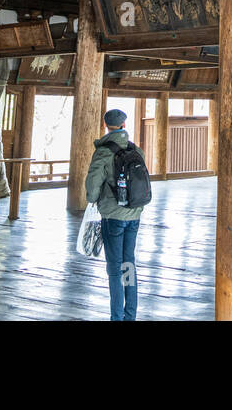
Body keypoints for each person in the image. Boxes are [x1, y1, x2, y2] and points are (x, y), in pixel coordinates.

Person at [85, 108, 148, 321]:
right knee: (128, 263)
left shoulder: (103, 151)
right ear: (123, 125)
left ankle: (116, 317)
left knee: (114, 269)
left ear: (106, 126)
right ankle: (130, 315)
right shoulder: (136, 150)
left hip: (113, 216)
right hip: (134, 214)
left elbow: (93, 183)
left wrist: (92, 199)